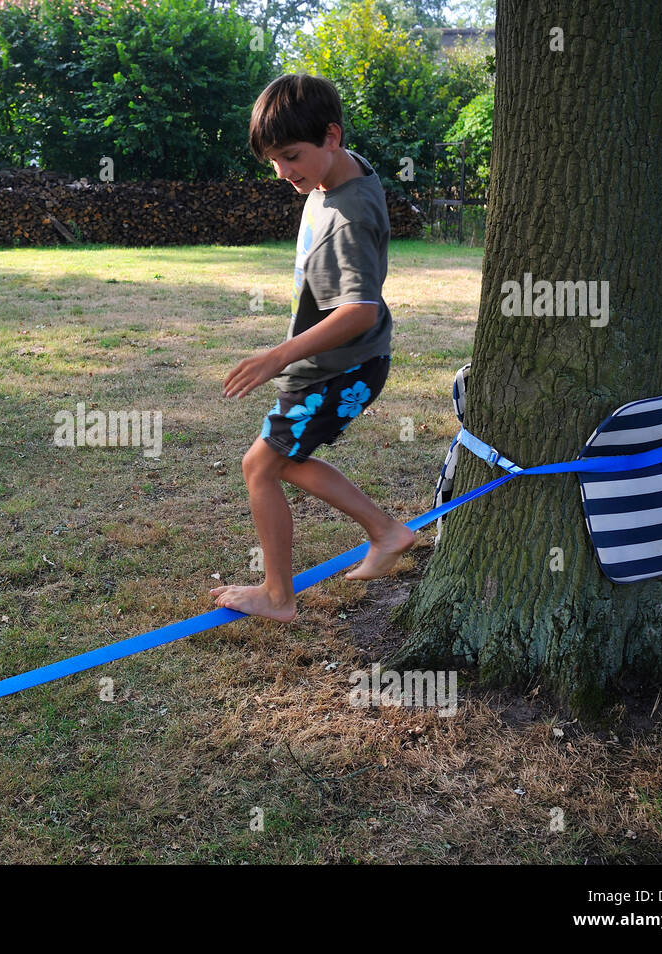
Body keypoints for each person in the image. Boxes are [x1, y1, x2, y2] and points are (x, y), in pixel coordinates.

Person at [210, 73, 415, 623]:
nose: (282, 173)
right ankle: (386, 531)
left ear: (331, 136)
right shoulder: (341, 171)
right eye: (272, 160)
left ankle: (279, 597)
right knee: (281, 462)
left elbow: (360, 310)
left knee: (261, 466)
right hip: (339, 365)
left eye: (290, 156)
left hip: (340, 368)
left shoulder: (349, 216)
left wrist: (279, 354)